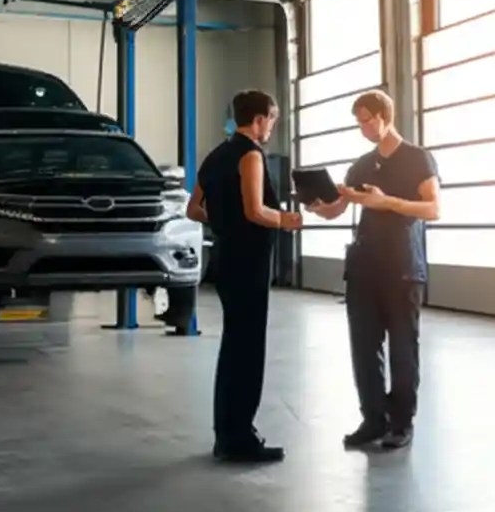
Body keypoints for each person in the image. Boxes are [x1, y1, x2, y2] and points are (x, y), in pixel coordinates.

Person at [304, 89, 440, 450]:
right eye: (358, 122)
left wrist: (388, 202)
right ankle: (373, 418)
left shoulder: (418, 159)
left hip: (402, 267)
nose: (363, 127)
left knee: (402, 347)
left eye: (368, 120)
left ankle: (401, 422)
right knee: (363, 346)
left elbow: (433, 209)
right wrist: (320, 204)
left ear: (385, 115)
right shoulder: (361, 165)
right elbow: (337, 209)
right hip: (364, 267)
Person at [187, 89, 301, 463]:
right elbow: (255, 210)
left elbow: (193, 209)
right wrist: (286, 220)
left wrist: (223, 223)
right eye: (272, 119)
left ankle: (228, 433)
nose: (272, 127)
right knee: (248, 350)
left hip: (225, 261)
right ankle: (240, 439)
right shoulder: (249, 154)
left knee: (234, 347)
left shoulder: (216, 156)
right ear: (259, 120)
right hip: (249, 263)